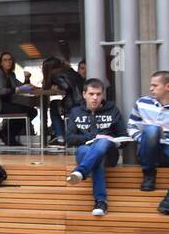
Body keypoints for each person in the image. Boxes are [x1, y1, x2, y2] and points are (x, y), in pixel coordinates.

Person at [64, 78, 126, 217]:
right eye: (91, 94)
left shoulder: (112, 110)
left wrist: (111, 141)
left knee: (103, 142)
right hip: (85, 152)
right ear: (84, 94)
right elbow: (69, 138)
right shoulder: (76, 112)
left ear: (103, 95)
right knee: (92, 152)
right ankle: (100, 202)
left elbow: (124, 136)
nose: (95, 97)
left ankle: (81, 172)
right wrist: (93, 138)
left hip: (109, 154)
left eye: (98, 94)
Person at [128, 71, 169, 208]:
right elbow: (132, 126)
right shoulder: (142, 103)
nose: (151, 89)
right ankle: (149, 175)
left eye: (155, 85)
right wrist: (145, 139)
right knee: (151, 129)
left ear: (167, 86)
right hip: (148, 151)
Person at [0, 52, 33, 146]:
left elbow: (21, 87)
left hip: (4, 104)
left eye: (10, 60)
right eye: (5, 60)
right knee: (21, 111)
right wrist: (17, 89)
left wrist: (27, 79)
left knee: (32, 111)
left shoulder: (11, 75)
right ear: (1, 63)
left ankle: (7, 134)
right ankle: (7, 135)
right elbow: (0, 91)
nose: (8, 62)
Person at [40, 56, 84, 146]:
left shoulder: (55, 73)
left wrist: (56, 86)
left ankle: (60, 137)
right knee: (56, 104)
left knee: (53, 105)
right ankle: (61, 135)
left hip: (73, 104)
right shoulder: (70, 71)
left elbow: (66, 86)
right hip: (81, 102)